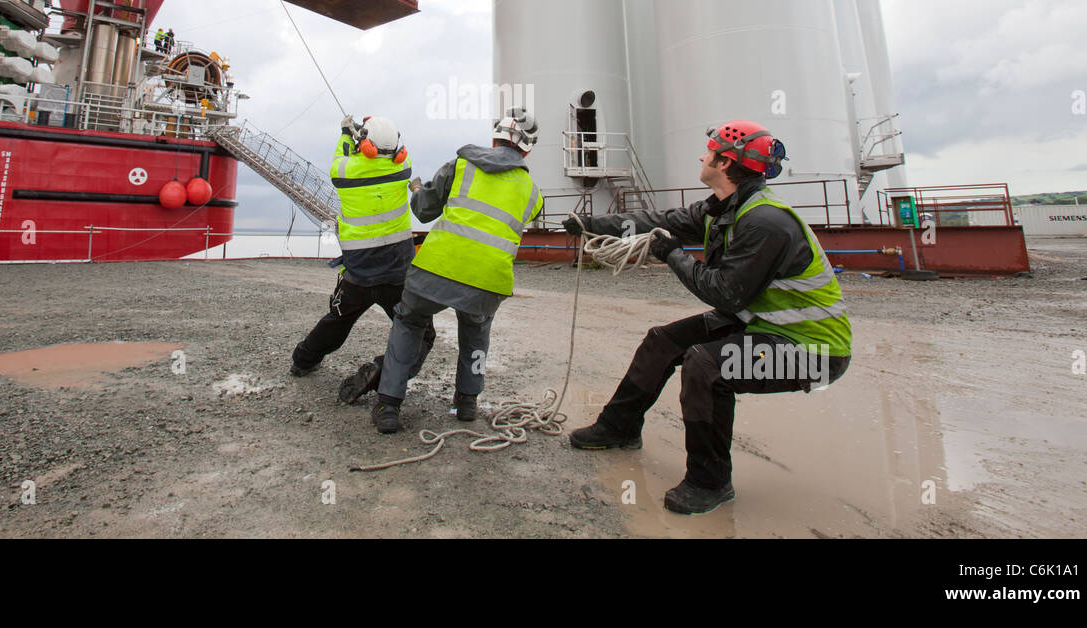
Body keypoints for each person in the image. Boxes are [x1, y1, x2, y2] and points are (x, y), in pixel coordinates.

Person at [563, 120, 852, 515]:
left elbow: (723, 292)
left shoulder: (765, 222)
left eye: (709, 151)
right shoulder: (723, 209)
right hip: (764, 326)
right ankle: (619, 427)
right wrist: (590, 225)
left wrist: (672, 255)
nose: (702, 156)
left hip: (814, 351)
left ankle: (710, 482)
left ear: (725, 161)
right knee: (662, 341)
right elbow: (659, 222)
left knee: (707, 365)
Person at [366, 108, 544, 433]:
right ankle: (467, 402)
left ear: (495, 137)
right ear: (528, 149)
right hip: (488, 281)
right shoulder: (533, 193)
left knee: (409, 321)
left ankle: (389, 405)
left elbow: (423, 211)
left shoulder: (461, 165)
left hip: (437, 268)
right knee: (477, 330)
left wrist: (418, 191)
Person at [291, 115, 436, 390]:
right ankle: (382, 372)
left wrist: (347, 134)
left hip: (358, 274)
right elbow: (388, 154)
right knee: (421, 333)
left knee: (336, 323)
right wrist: (365, 137)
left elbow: (341, 157)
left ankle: (303, 360)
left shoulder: (345, 173)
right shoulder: (403, 168)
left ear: (365, 146)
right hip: (398, 275)